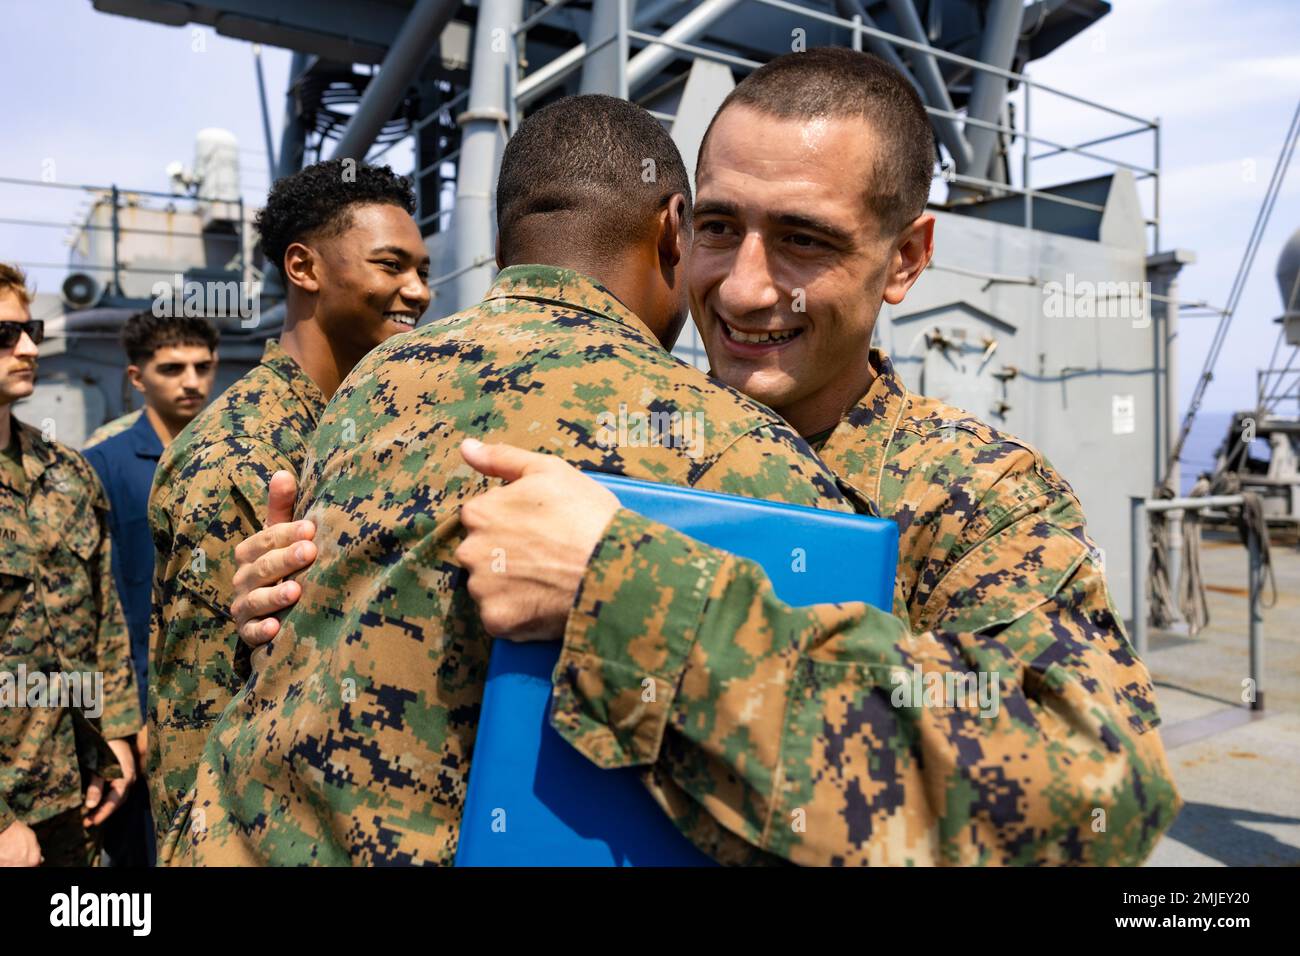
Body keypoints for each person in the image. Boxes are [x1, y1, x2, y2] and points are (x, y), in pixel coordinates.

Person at [235, 51, 1181, 865]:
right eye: (721, 229)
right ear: (679, 226)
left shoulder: (973, 498)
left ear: (906, 258)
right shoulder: (597, 413)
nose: (744, 285)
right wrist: (303, 606)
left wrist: (626, 591)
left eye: (806, 240)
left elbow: (1097, 804)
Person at [165, 93, 856, 866]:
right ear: (672, 230)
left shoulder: (372, 382)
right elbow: (838, 777)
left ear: (502, 248)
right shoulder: (744, 450)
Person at [145, 160, 430, 843]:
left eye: (422, 269)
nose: (418, 292)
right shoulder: (234, 456)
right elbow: (196, 710)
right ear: (303, 268)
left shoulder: (358, 430)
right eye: (391, 266)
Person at [0, 263, 141, 867]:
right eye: (5, 334)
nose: (29, 346)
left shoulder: (66, 471)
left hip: (71, 788)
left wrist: (114, 733)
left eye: (29, 328)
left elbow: (103, 616)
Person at [83, 312, 219, 865]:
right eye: (172, 368)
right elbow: (99, 605)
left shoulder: (223, 454)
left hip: (216, 694)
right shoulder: (101, 467)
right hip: (139, 703)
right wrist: (127, 719)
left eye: (203, 366)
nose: (191, 381)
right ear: (137, 378)